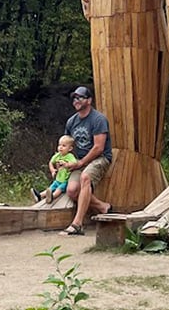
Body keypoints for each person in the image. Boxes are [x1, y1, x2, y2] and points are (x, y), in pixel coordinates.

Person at [61, 86, 112, 235]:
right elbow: (67, 144)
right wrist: (63, 162)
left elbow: (98, 148)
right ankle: (103, 207)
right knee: (71, 191)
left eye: (80, 98)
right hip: (80, 159)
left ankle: (77, 224)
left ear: (89, 100)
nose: (76, 101)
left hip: (100, 158)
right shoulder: (71, 121)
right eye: (74, 98)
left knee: (85, 177)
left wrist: (81, 163)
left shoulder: (98, 119)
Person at [30, 135, 78, 204]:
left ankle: (52, 197)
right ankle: (39, 196)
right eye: (59, 145)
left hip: (65, 180)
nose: (60, 147)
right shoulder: (57, 155)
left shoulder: (69, 156)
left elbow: (74, 163)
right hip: (58, 179)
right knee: (51, 187)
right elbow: (51, 162)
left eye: (64, 146)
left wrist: (67, 164)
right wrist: (52, 170)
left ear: (70, 148)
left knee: (59, 189)